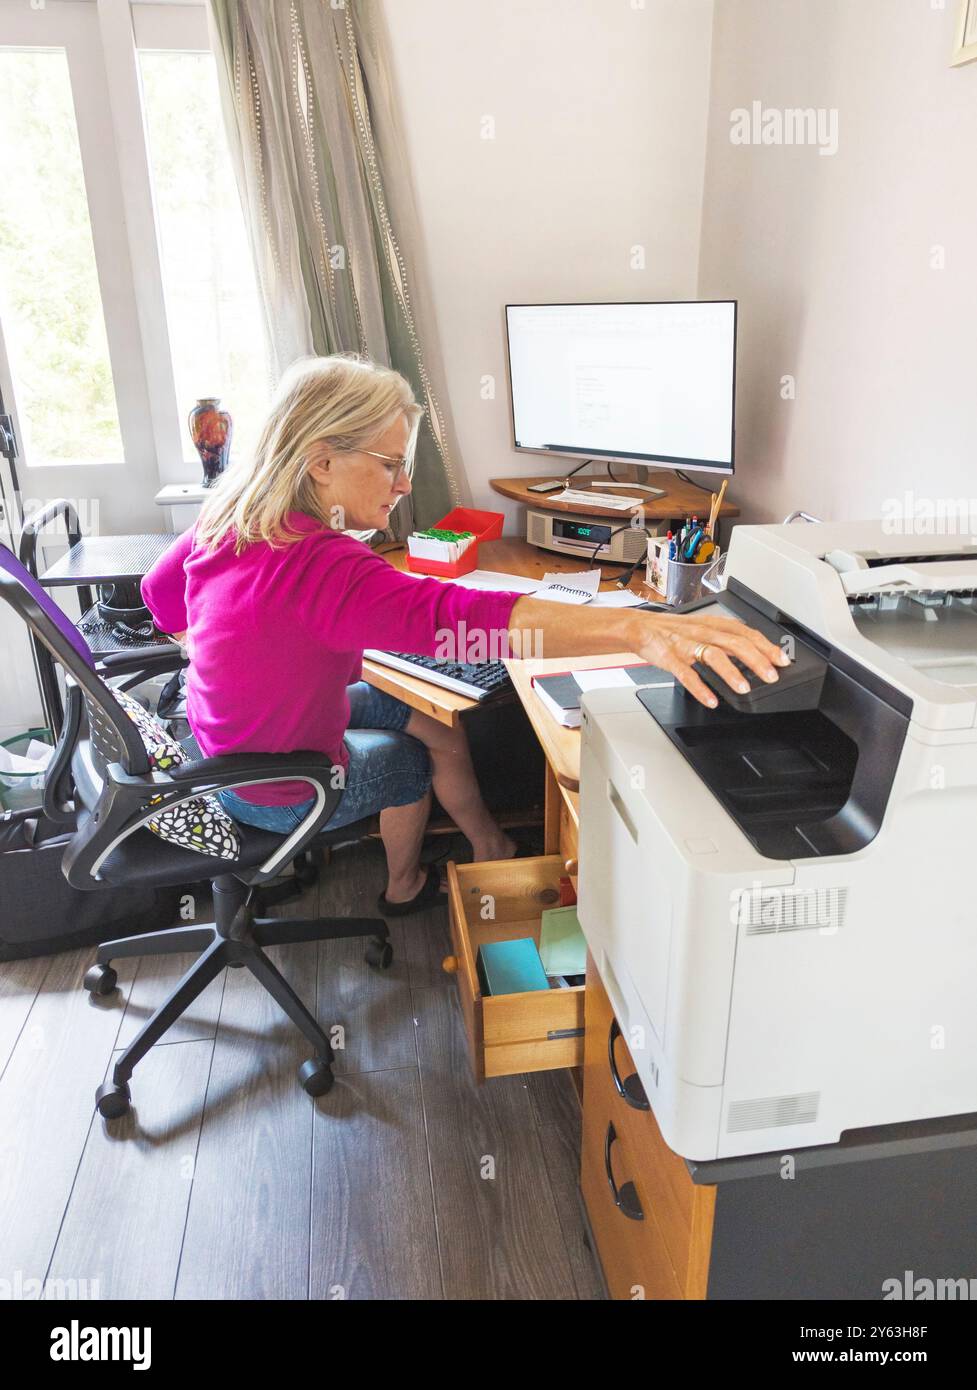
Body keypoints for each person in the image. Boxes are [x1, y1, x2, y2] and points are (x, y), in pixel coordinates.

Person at [142, 355, 787, 915]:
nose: (404, 484)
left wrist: (235, 663)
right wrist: (637, 631)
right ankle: (404, 888)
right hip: (278, 788)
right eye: (392, 463)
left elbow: (158, 593)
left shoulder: (231, 509)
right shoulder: (322, 566)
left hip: (214, 747)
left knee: (431, 716)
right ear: (322, 463)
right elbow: (466, 622)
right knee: (414, 760)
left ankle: (490, 847)